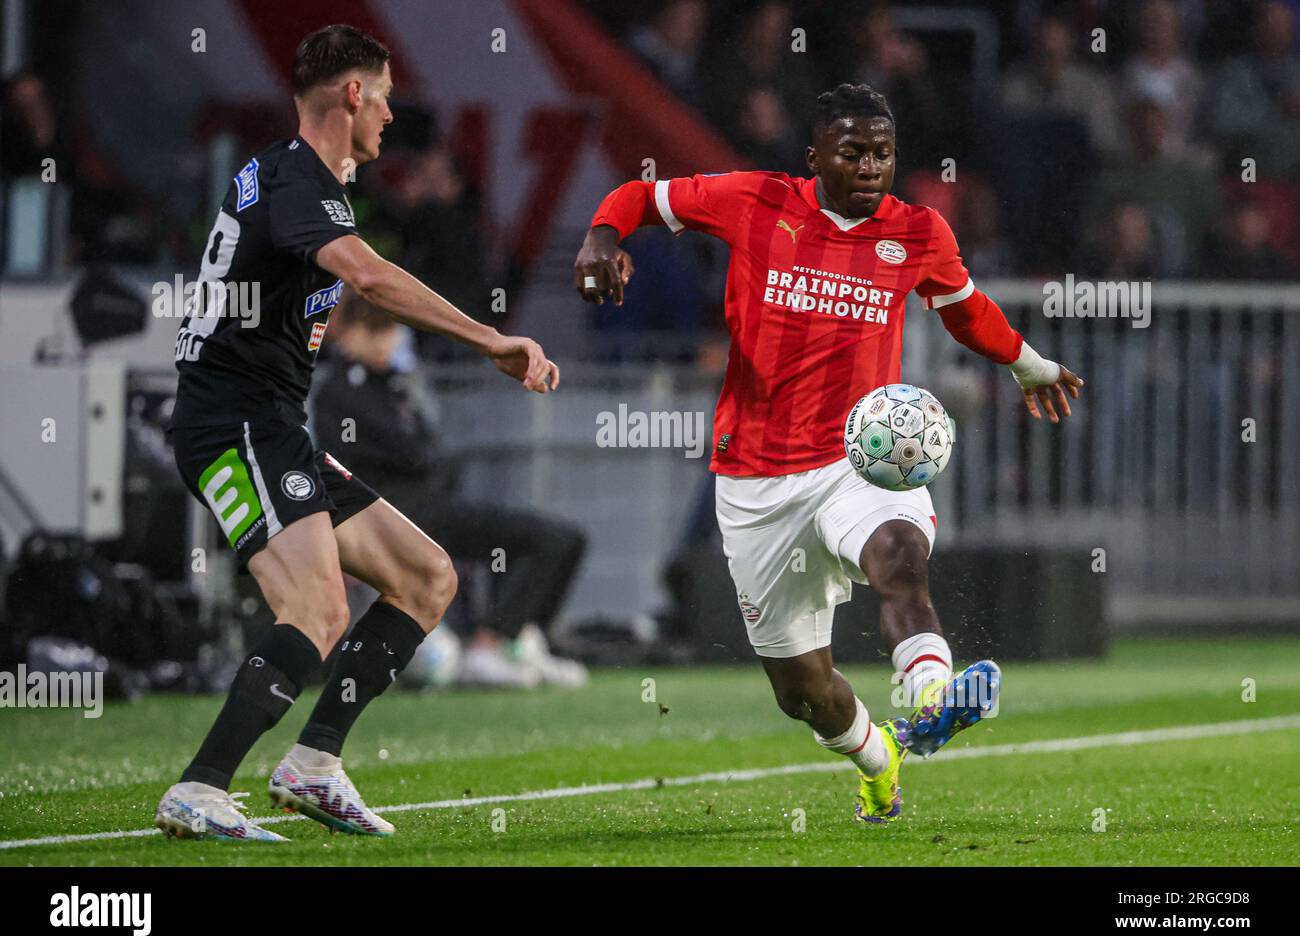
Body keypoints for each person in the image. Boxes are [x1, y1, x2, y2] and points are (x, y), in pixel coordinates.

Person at [573, 83, 1083, 823]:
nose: (872, 165)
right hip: (754, 476)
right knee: (802, 690)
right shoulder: (755, 199)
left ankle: (932, 696)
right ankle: (879, 758)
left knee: (900, 556)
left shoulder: (917, 231)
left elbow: (964, 306)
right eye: (854, 151)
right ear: (816, 157)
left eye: (883, 152)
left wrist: (1027, 362)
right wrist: (601, 238)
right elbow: (640, 196)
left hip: (860, 454)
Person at [158, 24, 559, 841]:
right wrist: (494, 341)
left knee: (426, 576)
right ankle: (199, 788)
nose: (386, 117)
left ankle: (313, 765)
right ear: (352, 94)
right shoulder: (298, 180)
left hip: (270, 424)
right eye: (380, 98)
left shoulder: (288, 178)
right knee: (315, 607)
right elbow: (369, 275)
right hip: (232, 424)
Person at [310, 303, 588, 688]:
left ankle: (515, 637)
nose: (387, 340)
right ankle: (489, 645)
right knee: (542, 539)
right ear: (350, 334)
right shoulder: (339, 391)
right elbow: (406, 454)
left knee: (558, 539)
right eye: (376, 330)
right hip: (390, 514)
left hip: (428, 505)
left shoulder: (394, 385)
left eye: (389, 329)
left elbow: (426, 451)